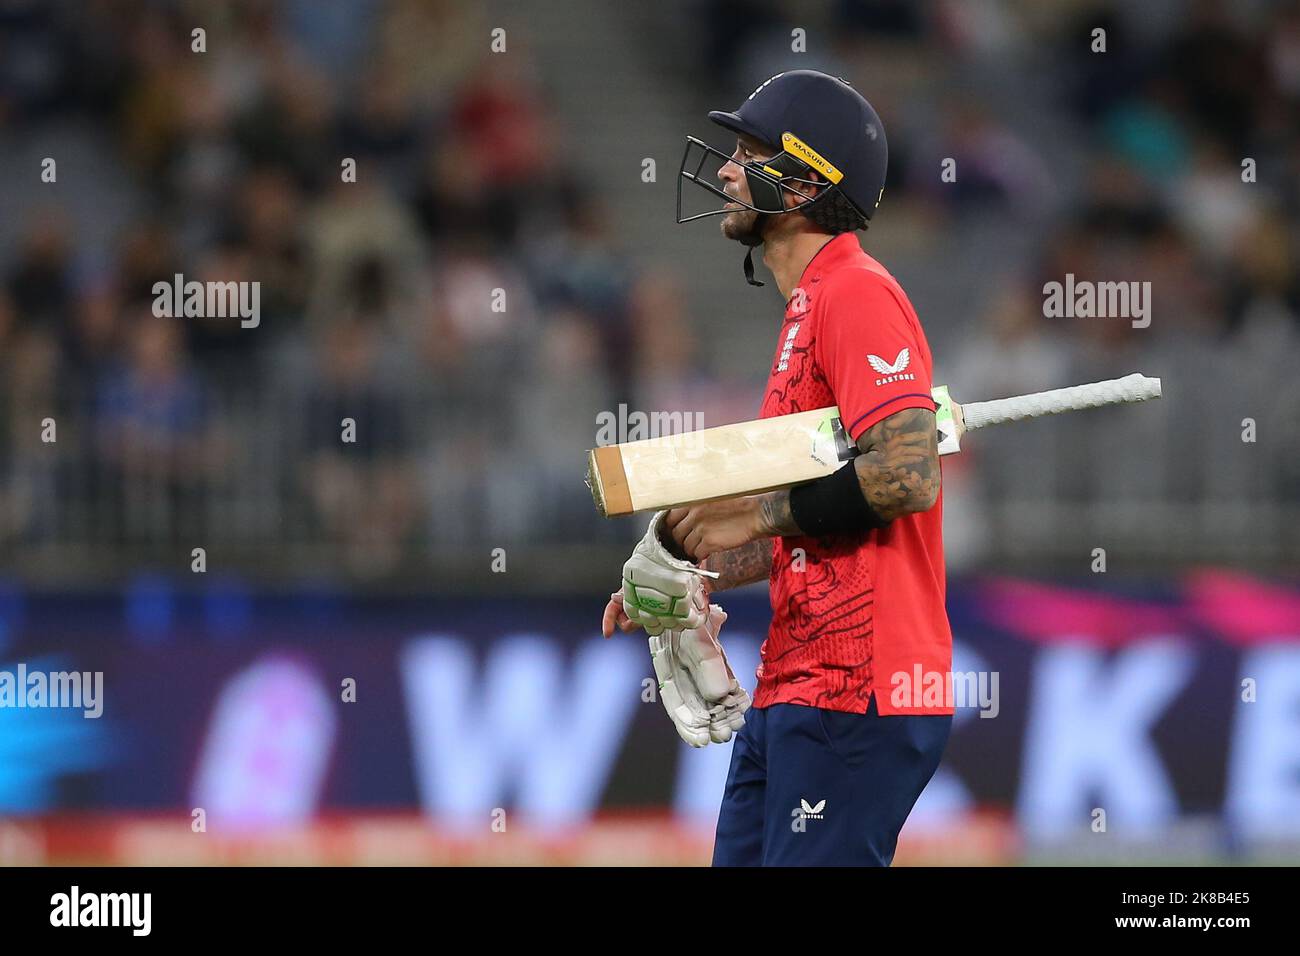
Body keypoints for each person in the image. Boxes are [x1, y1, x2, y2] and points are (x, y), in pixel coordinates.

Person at [602, 70, 962, 866]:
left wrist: (752, 513)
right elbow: (816, 523)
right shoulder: (809, 308)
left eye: (749, 152)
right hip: (799, 682)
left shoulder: (857, 295)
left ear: (803, 182)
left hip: (861, 687)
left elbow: (907, 475)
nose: (726, 170)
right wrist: (692, 573)